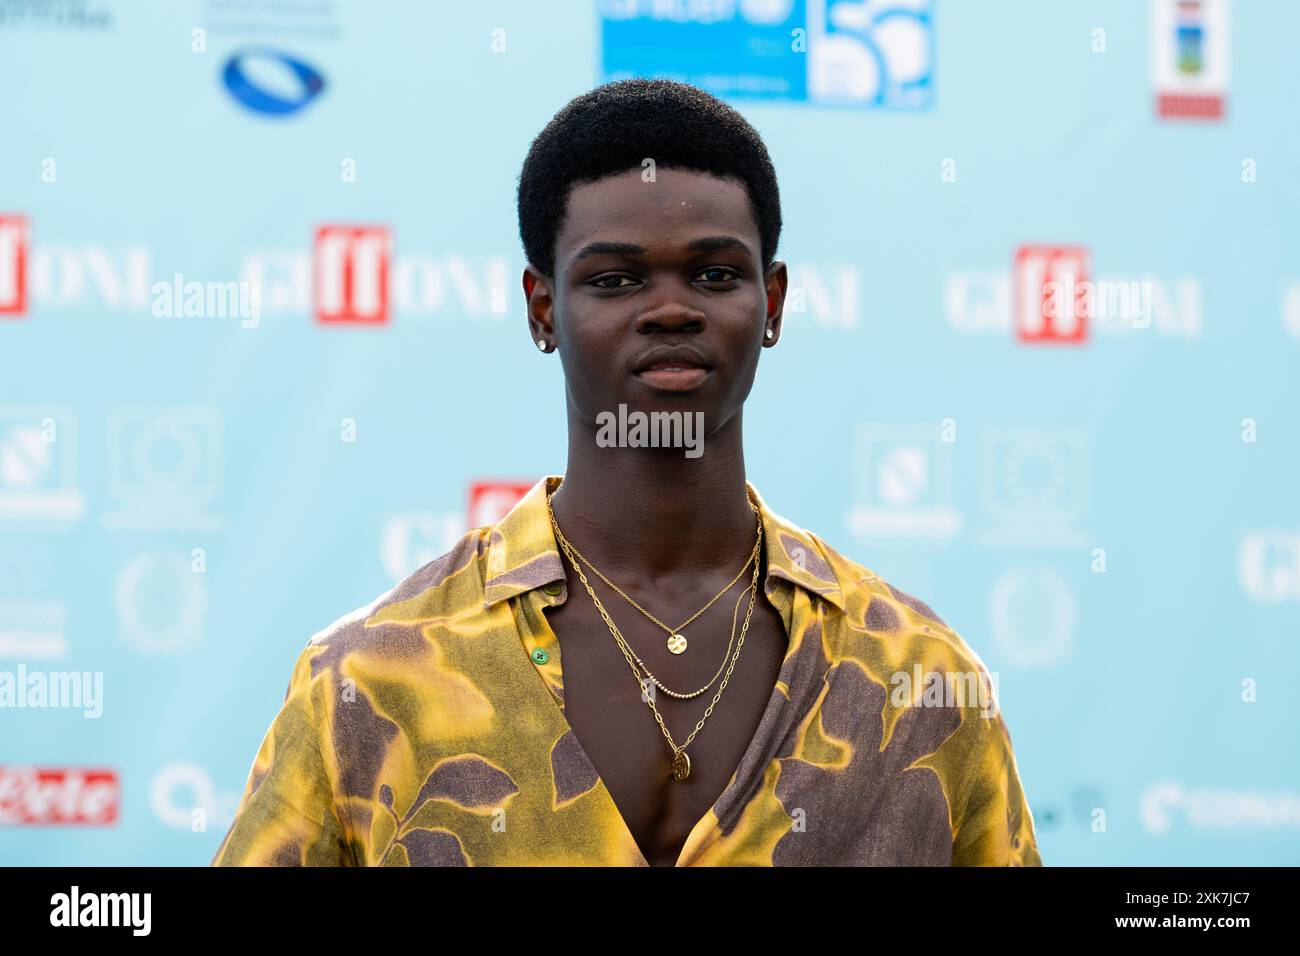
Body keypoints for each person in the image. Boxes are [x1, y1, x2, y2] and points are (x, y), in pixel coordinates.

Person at [211, 78, 1041, 867]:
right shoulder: (370, 677)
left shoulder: (920, 676)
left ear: (774, 302)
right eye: (616, 279)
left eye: (715, 274)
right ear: (543, 309)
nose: (672, 308)